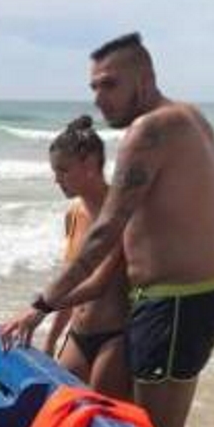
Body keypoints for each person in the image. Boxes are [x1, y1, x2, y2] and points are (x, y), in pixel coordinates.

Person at [0, 32, 214, 427]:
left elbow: (106, 230)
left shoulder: (149, 129)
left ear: (143, 80)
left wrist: (42, 304)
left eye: (110, 84)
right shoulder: (190, 116)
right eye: (94, 87)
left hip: (175, 301)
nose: (99, 99)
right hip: (191, 297)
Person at [39, 116, 131, 400]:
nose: (57, 179)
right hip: (78, 334)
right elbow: (70, 277)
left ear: (89, 164)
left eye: (63, 170)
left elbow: (97, 284)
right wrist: (51, 339)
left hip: (114, 335)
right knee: (60, 404)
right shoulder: (74, 213)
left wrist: (39, 309)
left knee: (103, 415)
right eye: (55, 171)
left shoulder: (118, 212)